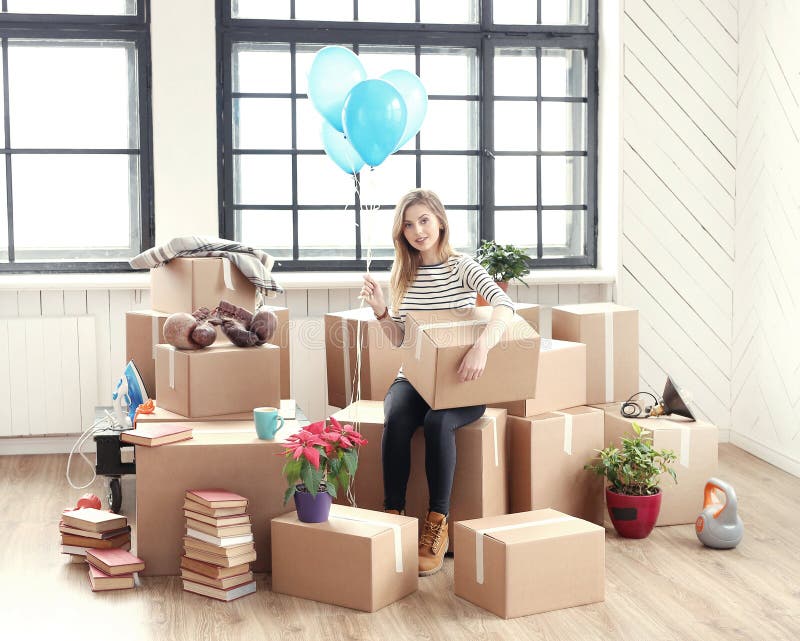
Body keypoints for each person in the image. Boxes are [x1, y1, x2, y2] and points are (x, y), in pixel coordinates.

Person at [360, 188, 514, 576]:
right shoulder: (402, 274)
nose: (417, 231)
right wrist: (381, 311)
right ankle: (393, 515)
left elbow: (505, 305)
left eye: (424, 220)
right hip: (412, 378)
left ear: (440, 221)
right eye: (408, 225)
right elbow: (401, 339)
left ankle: (437, 524)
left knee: (437, 422)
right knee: (395, 416)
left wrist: (481, 348)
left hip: (461, 380)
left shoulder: (462, 266)